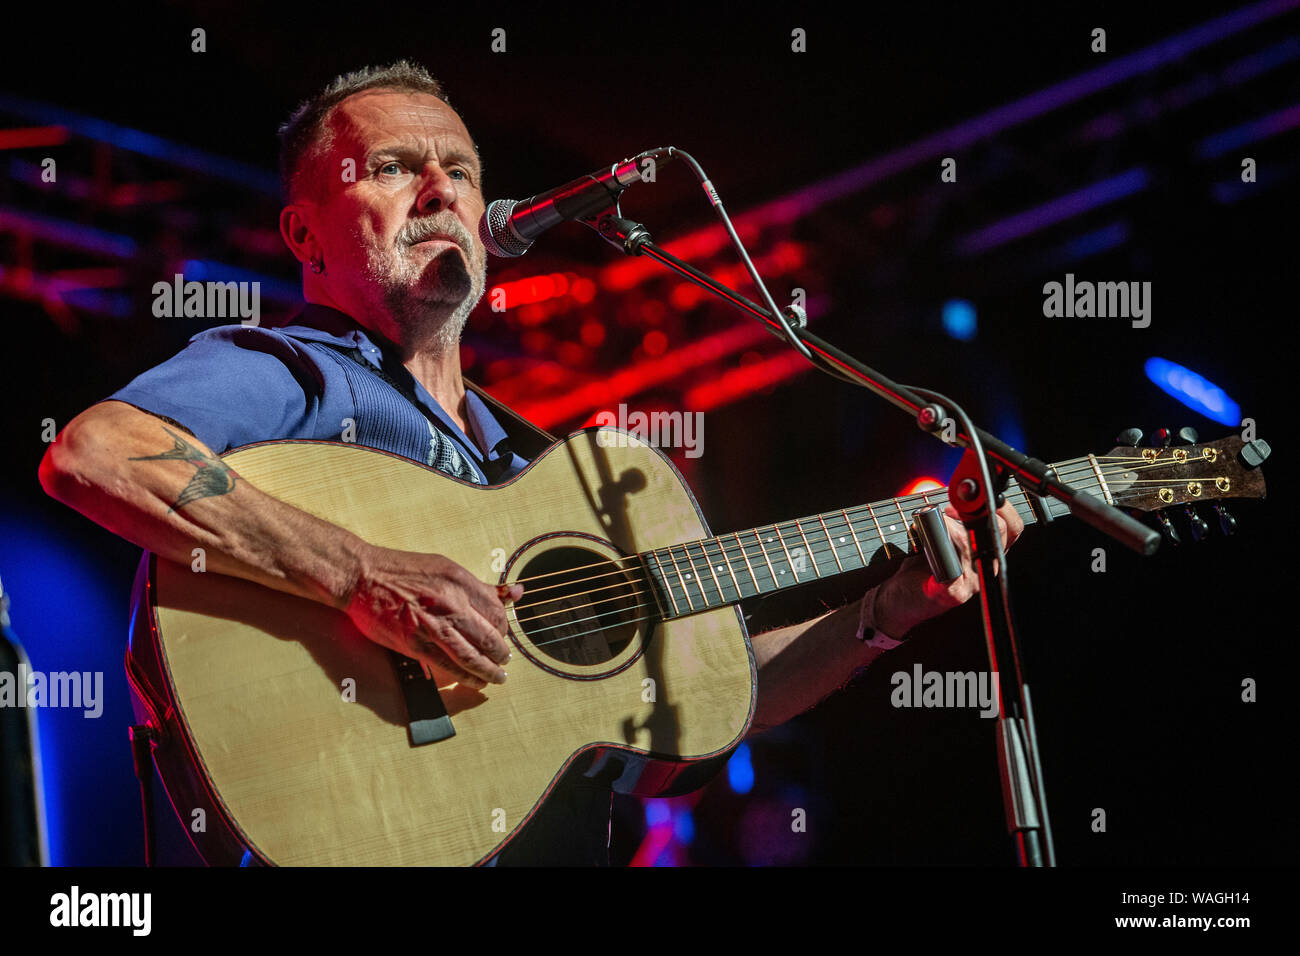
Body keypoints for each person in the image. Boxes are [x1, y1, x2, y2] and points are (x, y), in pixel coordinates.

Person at [37, 61, 1023, 865]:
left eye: (459, 172)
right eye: (391, 167)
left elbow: (713, 698)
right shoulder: (285, 368)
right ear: (303, 232)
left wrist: (879, 614)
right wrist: (360, 572)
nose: (441, 191)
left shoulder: (555, 468)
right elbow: (97, 452)